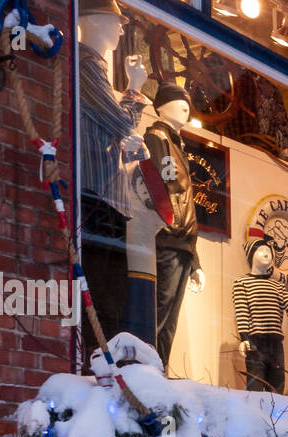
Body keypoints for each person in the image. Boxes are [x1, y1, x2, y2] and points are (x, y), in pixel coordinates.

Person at [78, 0, 148, 348]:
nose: (121, 29)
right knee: (103, 295)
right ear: (93, 21)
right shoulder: (85, 65)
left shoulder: (94, 68)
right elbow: (120, 123)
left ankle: (99, 364)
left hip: (104, 199)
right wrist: (134, 88)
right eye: (115, 21)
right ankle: (96, 367)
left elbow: (116, 131)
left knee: (109, 296)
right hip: (97, 199)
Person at [143, 83, 206, 367]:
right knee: (158, 316)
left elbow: (182, 201)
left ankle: (159, 374)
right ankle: (149, 376)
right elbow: (161, 189)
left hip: (180, 242)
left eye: (187, 100)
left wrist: (195, 260)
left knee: (168, 321)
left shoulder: (176, 145)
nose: (185, 103)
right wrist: (168, 226)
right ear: (160, 107)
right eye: (177, 99)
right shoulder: (157, 139)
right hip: (167, 240)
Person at [235, 239, 288, 393]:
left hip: (276, 344)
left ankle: (277, 416)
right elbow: (241, 311)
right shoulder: (242, 283)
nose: (266, 253)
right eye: (261, 250)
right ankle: (256, 416)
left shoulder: (278, 286)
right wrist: (244, 338)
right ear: (251, 255)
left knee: (277, 387)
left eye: (269, 251)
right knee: (255, 388)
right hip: (255, 343)